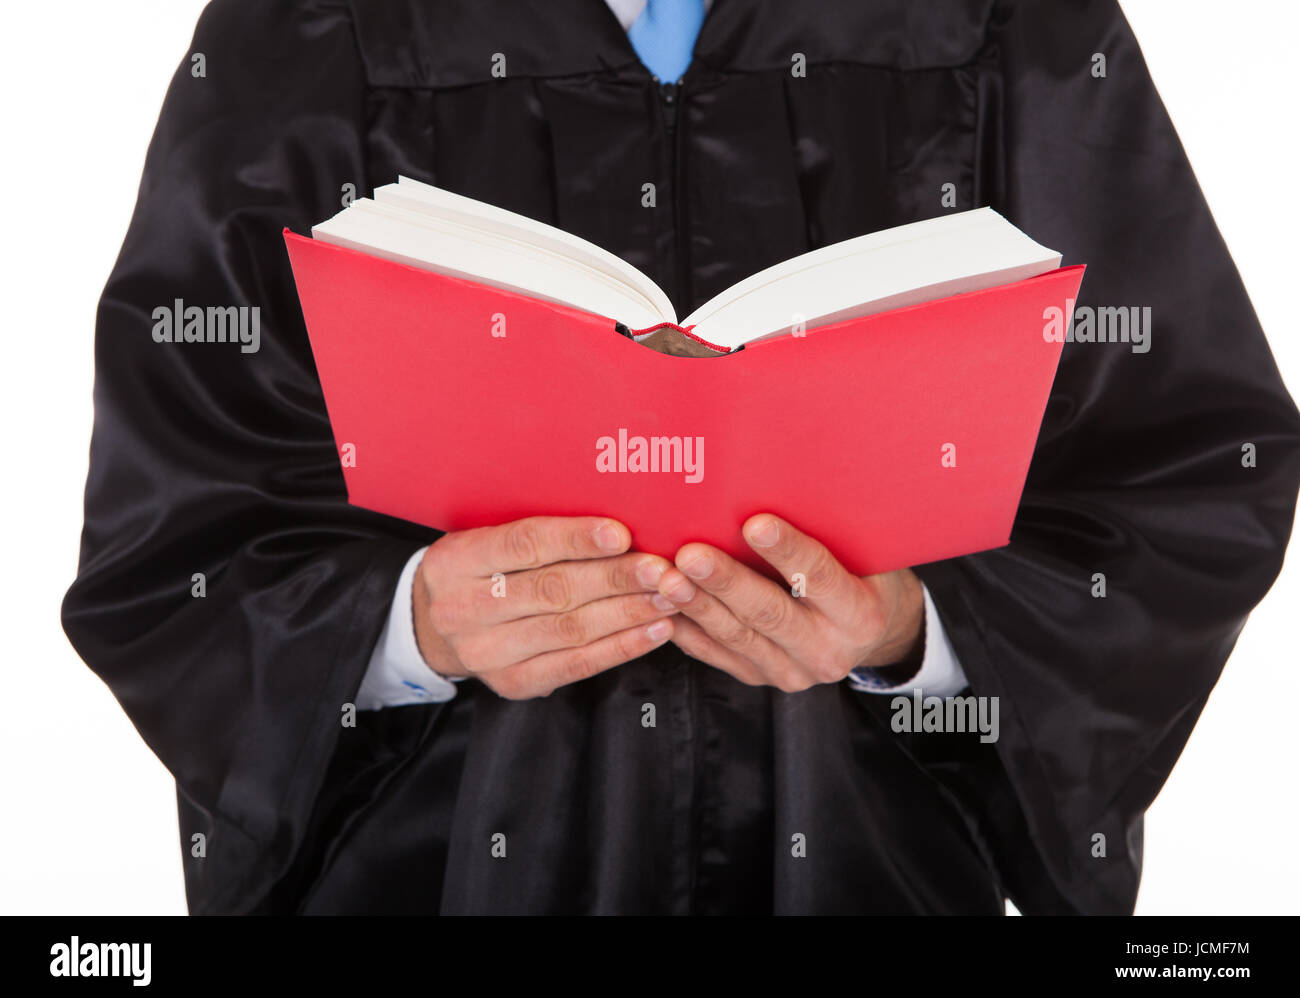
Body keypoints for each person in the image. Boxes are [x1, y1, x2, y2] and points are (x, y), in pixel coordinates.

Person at [63, 0, 1300, 914]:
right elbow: (179, 511)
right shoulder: (317, 25)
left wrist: (910, 635)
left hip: (875, 868)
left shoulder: (997, 24)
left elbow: (1184, 462)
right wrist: (407, 630)